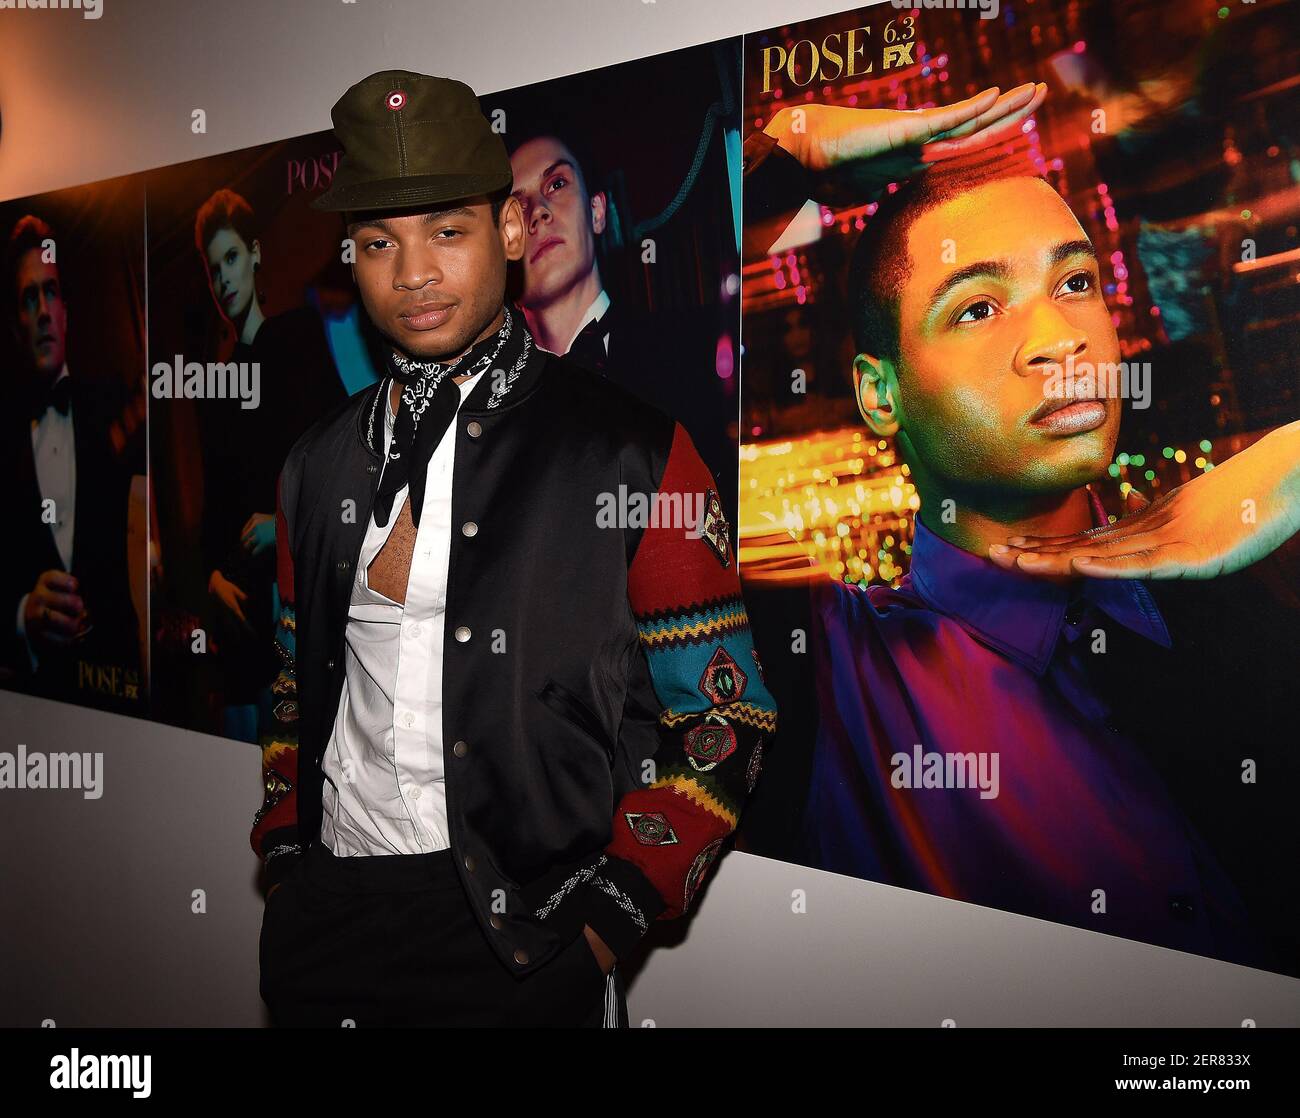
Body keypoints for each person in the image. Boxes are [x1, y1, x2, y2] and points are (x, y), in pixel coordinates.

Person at [251, 69, 776, 1028]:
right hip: (328, 928)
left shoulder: (634, 450)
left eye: (445, 231)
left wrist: (610, 918)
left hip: (528, 945)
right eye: (379, 243)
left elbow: (725, 717)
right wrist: (288, 860)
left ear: (508, 231)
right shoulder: (314, 467)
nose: (412, 273)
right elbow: (295, 684)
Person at [742, 154, 1300, 976]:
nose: (1058, 338)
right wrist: (793, 152)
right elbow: (627, 469)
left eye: (1076, 284)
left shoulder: (1255, 592)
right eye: (977, 308)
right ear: (880, 393)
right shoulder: (832, 676)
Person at [506, 128, 738, 516]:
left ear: (596, 212)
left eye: (556, 184)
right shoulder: (488, 411)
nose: (538, 213)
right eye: (516, 209)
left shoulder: (699, 348)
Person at [191, 189, 347, 741]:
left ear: (255, 254)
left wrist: (278, 523)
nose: (224, 280)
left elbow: (341, 463)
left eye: (231, 259)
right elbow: (211, 513)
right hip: (239, 615)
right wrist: (210, 577)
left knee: (300, 773)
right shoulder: (214, 388)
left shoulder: (300, 338)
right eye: (213, 270)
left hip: (300, 597)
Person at [0, 214, 141, 711]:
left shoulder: (112, 408)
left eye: (51, 292)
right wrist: (21, 614)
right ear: (17, 325)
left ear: (67, 311)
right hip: (35, 701)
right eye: (28, 298)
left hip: (120, 688)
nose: (42, 310)